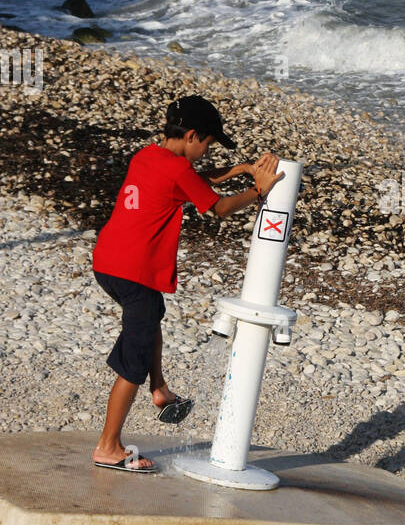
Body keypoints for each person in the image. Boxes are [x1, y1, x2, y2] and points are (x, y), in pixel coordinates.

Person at [91, 94, 284, 473]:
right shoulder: (179, 171)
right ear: (193, 135)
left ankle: (160, 389)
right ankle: (108, 446)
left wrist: (237, 170)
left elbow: (190, 181)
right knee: (133, 359)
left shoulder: (147, 156)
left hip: (108, 263)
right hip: (134, 271)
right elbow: (218, 207)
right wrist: (259, 190)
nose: (206, 152)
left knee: (150, 319)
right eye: (207, 144)